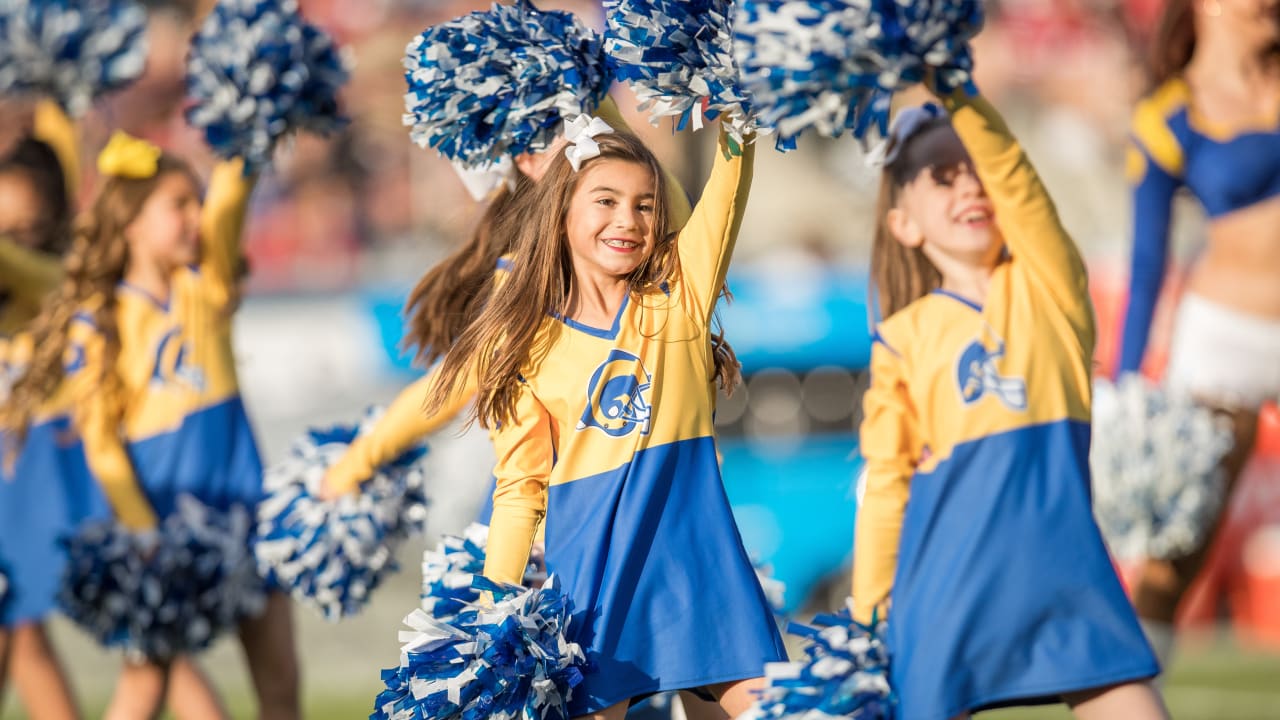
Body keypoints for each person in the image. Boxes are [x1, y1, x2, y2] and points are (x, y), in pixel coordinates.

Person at [424, 116, 781, 720]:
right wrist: (491, 611)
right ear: (561, 210)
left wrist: (734, 111)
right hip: (593, 585)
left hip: (702, 569)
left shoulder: (680, 298)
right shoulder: (522, 344)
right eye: (606, 201)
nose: (629, 220)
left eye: (646, 206)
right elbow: (519, 492)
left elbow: (728, 186)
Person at [853, 78, 1168, 719]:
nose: (971, 185)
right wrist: (866, 620)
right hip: (945, 588)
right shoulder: (902, 337)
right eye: (943, 176)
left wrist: (954, 87)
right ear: (903, 223)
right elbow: (888, 484)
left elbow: (1015, 174)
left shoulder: (1050, 288)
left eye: (976, 172)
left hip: (1066, 573)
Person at [6, 132, 297, 719]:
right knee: (145, 685)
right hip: (165, 531)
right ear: (131, 223)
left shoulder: (206, 292)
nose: (195, 219)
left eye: (197, 203)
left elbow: (230, 205)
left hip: (244, 510)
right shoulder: (97, 319)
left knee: (280, 683)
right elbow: (102, 445)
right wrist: (142, 531)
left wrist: (247, 131)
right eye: (178, 206)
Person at [1119, 0, 1280, 665]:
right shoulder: (1168, 114)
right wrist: (1126, 383)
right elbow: (1148, 260)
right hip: (1224, 342)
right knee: (1176, 551)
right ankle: (1127, 695)